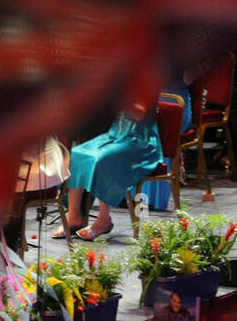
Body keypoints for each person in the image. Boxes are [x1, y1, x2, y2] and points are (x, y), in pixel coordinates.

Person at [59, 100, 163, 242]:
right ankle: (74, 216)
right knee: (76, 155)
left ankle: (104, 219)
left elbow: (140, 114)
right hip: (115, 135)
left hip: (139, 142)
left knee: (103, 160)